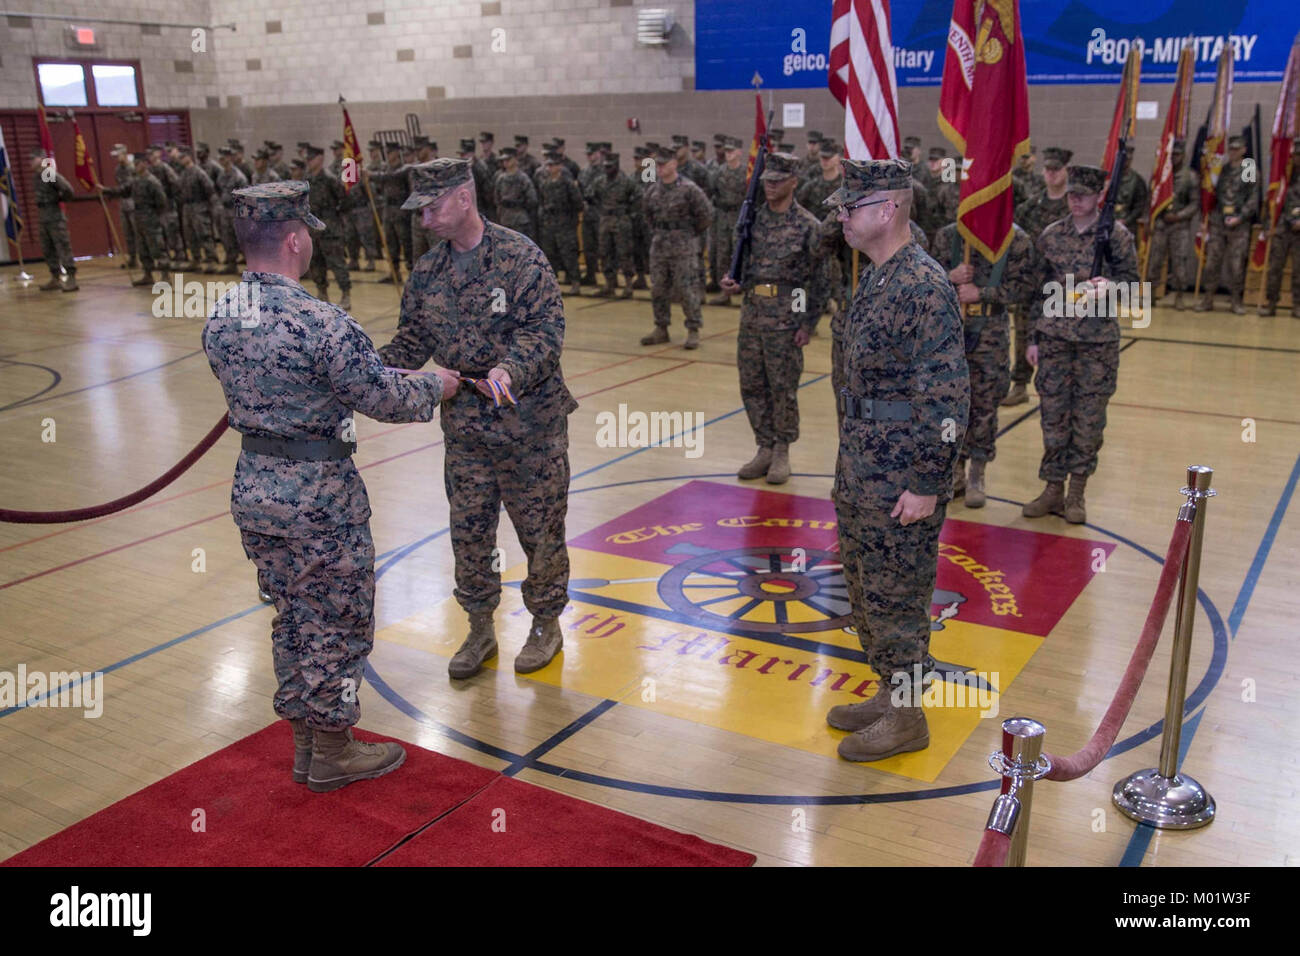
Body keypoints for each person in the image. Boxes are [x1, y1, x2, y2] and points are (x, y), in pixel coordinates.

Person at [202, 180, 455, 792]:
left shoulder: (221, 318)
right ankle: (334, 749)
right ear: (294, 239)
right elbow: (384, 398)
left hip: (256, 493)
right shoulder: (321, 322)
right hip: (319, 499)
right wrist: (437, 385)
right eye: (307, 232)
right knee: (338, 623)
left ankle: (307, 744)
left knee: (292, 616)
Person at [376, 159, 577, 679]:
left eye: (433, 207)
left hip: (529, 427)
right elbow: (411, 342)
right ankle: (480, 625)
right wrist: (366, 365)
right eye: (418, 210)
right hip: (464, 429)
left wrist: (510, 371)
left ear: (464, 197)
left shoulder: (519, 257)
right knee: (469, 533)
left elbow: (545, 333)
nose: (424, 220)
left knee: (540, 531)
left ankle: (545, 623)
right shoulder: (427, 271)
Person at [821, 158, 969, 763]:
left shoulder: (922, 285)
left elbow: (948, 396)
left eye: (849, 207)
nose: (840, 216)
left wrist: (928, 482)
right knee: (866, 590)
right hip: (862, 466)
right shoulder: (879, 276)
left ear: (888, 209)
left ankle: (908, 718)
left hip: (900, 475)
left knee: (899, 596)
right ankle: (890, 690)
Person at [1023, 165, 1138, 524]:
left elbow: (1135, 288)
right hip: (1055, 340)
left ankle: (1076, 493)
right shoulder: (1051, 235)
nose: (1075, 201)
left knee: (1088, 422)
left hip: (1096, 344)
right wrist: (1032, 338)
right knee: (1053, 419)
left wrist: (1112, 287)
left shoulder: (1116, 237)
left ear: (1098, 197)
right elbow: (1036, 290)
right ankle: (1052, 488)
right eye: (1071, 195)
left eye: (1083, 196)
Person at [718, 152, 825, 485]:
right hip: (752, 313)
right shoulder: (752, 219)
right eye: (768, 181)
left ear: (793, 182)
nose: (771, 187)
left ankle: (782, 449)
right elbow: (739, 263)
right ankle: (763, 445)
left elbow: (819, 279)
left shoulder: (808, 225)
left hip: (785, 315)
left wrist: (806, 323)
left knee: (783, 387)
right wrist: (732, 281)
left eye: (778, 181)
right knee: (751, 383)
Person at [930, 220, 1035, 507]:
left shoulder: (1016, 240)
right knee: (949, 404)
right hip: (949, 331)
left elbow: (1025, 288)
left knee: (985, 404)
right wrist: (948, 276)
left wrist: (983, 293)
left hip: (990, 333)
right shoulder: (948, 236)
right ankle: (954, 469)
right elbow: (925, 282)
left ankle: (978, 470)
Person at [1007, 146, 1072, 406]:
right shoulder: (1030, 207)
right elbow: (1016, 242)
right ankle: (1020, 384)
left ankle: (1056, 390)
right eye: (1048, 169)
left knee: (1058, 339)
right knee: (1023, 335)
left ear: (1066, 171)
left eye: (1057, 169)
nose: (1051, 174)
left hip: (1062, 286)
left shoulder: (1074, 207)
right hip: (1031, 284)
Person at [641, 146, 713, 349]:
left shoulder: (689, 189)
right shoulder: (653, 190)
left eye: (664, 164)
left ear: (674, 164)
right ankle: (661, 328)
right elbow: (648, 216)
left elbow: (705, 216)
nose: (660, 168)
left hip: (683, 245)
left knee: (686, 288)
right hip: (660, 245)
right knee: (658, 288)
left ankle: (693, 329)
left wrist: (688, 235)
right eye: (658, 165)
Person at [1196, 135, 1258, 314]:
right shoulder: (1222, 170)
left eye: (1237, 149)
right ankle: (1208, 298)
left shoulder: (1248, 168)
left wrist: (1240, 217)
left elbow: (1253, 198)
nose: (1233, 152)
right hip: (1219, 223)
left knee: (1236, 265)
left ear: (1244, 150)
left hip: (1239, 225)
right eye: (1231, 149)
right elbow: (1214, 196)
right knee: (1212, 264)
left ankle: (1236, 301)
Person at [1144, 139, 1197, 309]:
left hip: (1179, 227)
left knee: (1179, 262)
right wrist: (1148, 221)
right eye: (1172, 154)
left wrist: (1179, 215)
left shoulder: (1191, 177)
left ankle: (1179, 296)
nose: (1174, 158)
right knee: (1154, 261)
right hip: (1160, 225)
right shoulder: (1161, 176)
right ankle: (1150, 295)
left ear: (1184, 155)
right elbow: (1150, 200)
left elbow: (1195, 204)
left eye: (1178, 154)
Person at [304, 144, 352, 310]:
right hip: (313, 229)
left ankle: (346, 294)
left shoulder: (330, 179)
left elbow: (345, 201)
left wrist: (334, 217)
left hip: (330, 229)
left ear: (320, 158)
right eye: (308, 159)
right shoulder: (307, 180)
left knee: (337, 263)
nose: (309, 162)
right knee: (316, 263)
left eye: (312, 159)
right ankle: (322, 292)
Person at [1259, 137, 1300, 318]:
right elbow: (1272, 203)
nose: (1297, 158)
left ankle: (1297, 305)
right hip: (1281, 229)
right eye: (1295, 155)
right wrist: (1269, 226)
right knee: (1275, 268)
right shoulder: (1283, 174)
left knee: (1299, 271)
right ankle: (1271, 303)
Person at [30, 149, 80, 292]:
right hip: (43, 217)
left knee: (63, 247)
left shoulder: (48, 174)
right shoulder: (36, 177)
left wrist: (60, 199)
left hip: (55, 217)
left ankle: (71, 278)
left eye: (33, 159)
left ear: (41, 159)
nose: (30, 162)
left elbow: (68, 189)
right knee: (48, 249)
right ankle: (55, 278)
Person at [706, 137, 748, 307]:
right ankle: (725, 292)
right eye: (727, 151)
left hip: (740, 215)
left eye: (732, 151)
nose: (728, 154)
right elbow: (711, 193)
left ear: (739, 152)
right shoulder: (718, 173)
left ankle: (744, 288)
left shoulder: (747, 173)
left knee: (741, 254)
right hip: (723, 216)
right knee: (723, 254)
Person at [537, 151, 584, 294]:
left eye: (552, 165)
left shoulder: (567, 183)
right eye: (548, 165)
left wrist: (569, 217)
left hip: (564, 223)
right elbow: (541, 200)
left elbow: (578, 203)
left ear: (559, 166)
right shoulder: (545, 183)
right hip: (549, 223)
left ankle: (575, 282)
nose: (549, 168)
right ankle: (551, 283)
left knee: (568, 253)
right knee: (550, 253)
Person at [594, 151, 639, 298]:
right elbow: (590, 196)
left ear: (617, 165)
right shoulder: (600, 181)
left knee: (624, 253)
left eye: (610, 166)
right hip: (605, 220)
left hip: (621, 221)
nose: (607, 169)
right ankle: (609, 284)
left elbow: (639, 197)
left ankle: (628, 285)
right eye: (605, 166)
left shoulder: (626, 181)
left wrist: (629, 212)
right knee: (605, 253)